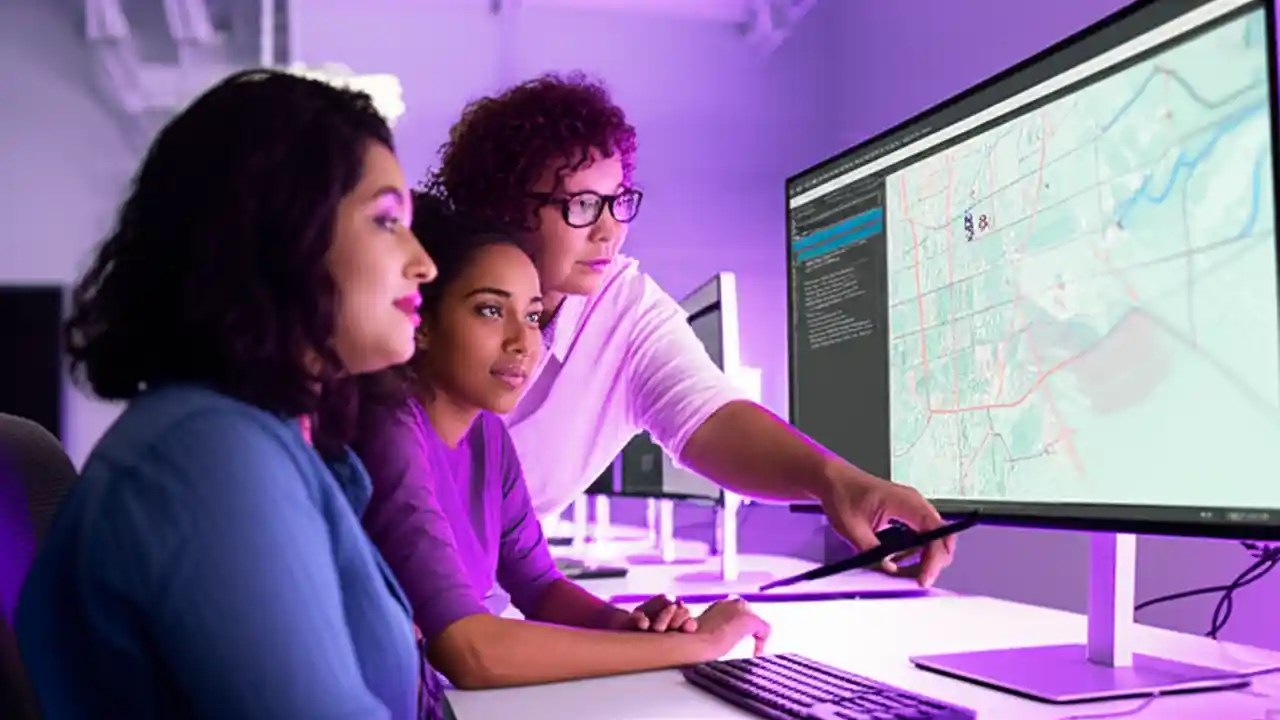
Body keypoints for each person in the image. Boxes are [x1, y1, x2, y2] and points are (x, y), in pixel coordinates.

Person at [15, 69, 440, 719]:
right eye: (386, 220)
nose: (424, 262)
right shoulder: (207, 455)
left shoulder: (276, 444)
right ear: (278, 229)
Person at [420, 71, 957, 584]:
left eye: (618, 201)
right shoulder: (420, 308)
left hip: (490, 612)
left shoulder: (622, 306)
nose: (610, 231)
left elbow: (711, 416)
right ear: (504, 208)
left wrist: (835, 480)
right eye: (582, 205)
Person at [350, 195, 771, 689]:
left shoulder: (485, 433)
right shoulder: (388, 428)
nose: (522, 343)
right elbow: (470, 653)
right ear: (422, 323)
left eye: (531, 317)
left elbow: (540, 586)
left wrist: (629, 628)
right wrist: (698, 646)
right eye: (490, 310)